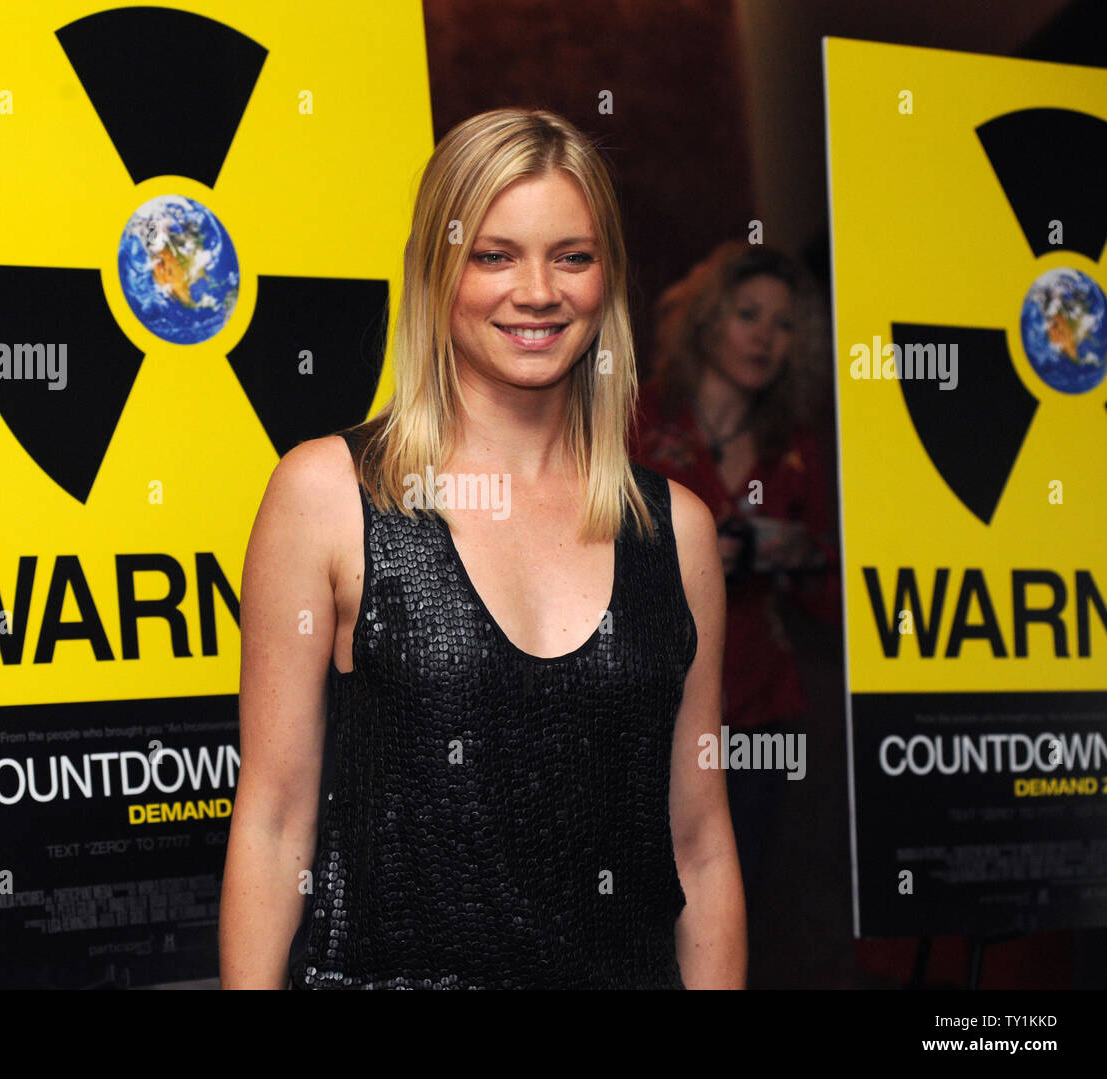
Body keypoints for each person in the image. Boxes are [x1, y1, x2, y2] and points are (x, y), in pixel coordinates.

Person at [218, 108, 745, 989]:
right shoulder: (330, 494)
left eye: (572, 256)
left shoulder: (677, 530)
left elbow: (698, 846)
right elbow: (273, 823)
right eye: (494, 255)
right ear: (437, 271)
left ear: (607, 278)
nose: (537, 291)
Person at [632, 241, 840, 909]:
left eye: (784, 325)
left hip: (757, 708)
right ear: (707, 319)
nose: (766, 338)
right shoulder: (637, 420)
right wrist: (681, 556)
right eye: (748, 314)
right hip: (644, 698)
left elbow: (835, 603)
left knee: (731, 901)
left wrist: (800, 558)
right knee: (636, 907)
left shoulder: (795, 447)